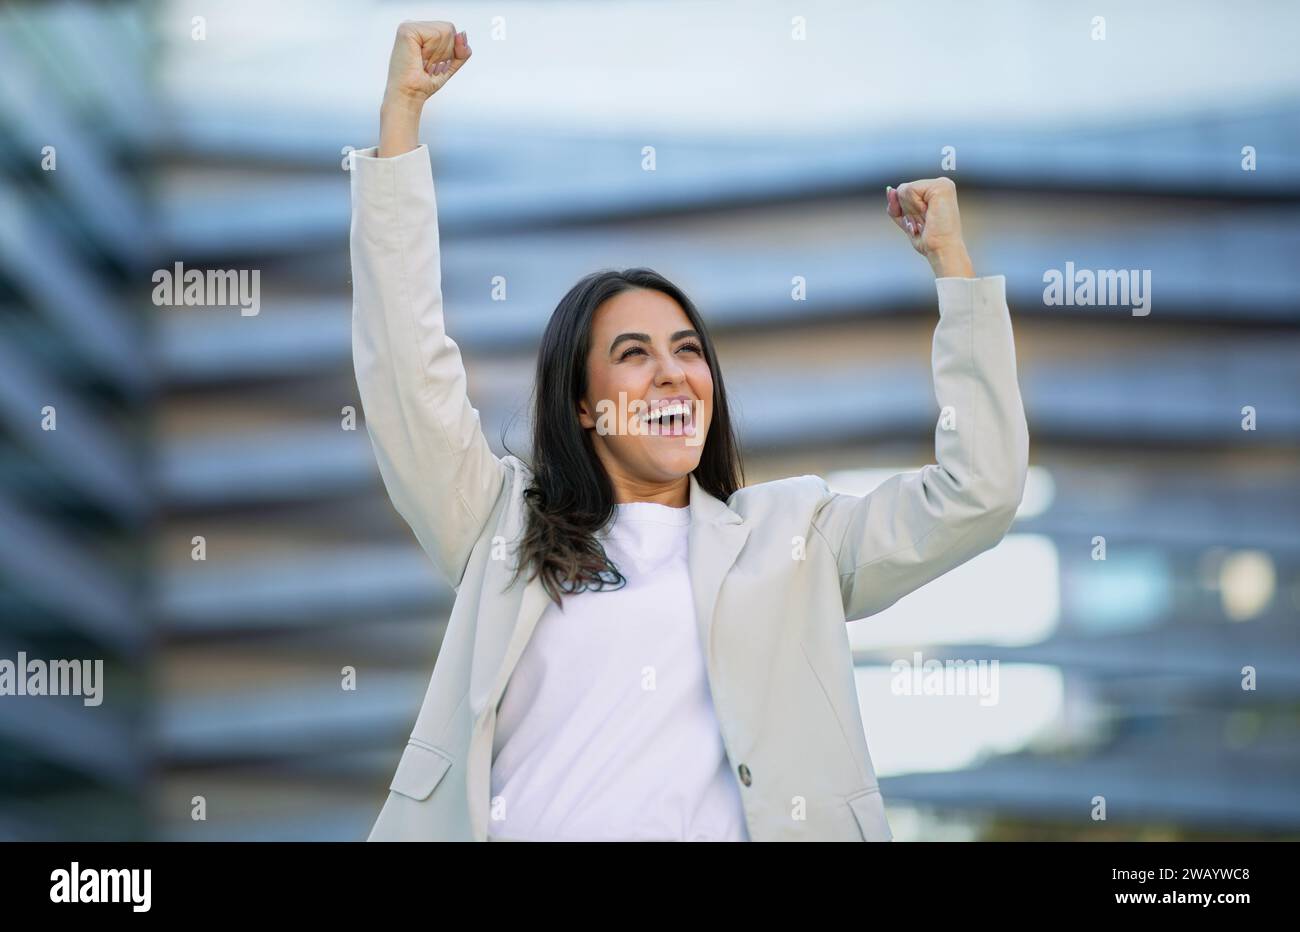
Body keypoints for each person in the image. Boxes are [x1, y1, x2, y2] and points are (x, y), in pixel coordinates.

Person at [350, 20, 1029, 841]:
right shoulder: (498, 526)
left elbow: (979, 493)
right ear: (582, 405)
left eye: (687, 350)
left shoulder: (795, 540)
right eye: (633, 355)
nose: (673, 372)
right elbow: (406, 374)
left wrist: (953, 266)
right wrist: (401, 118)